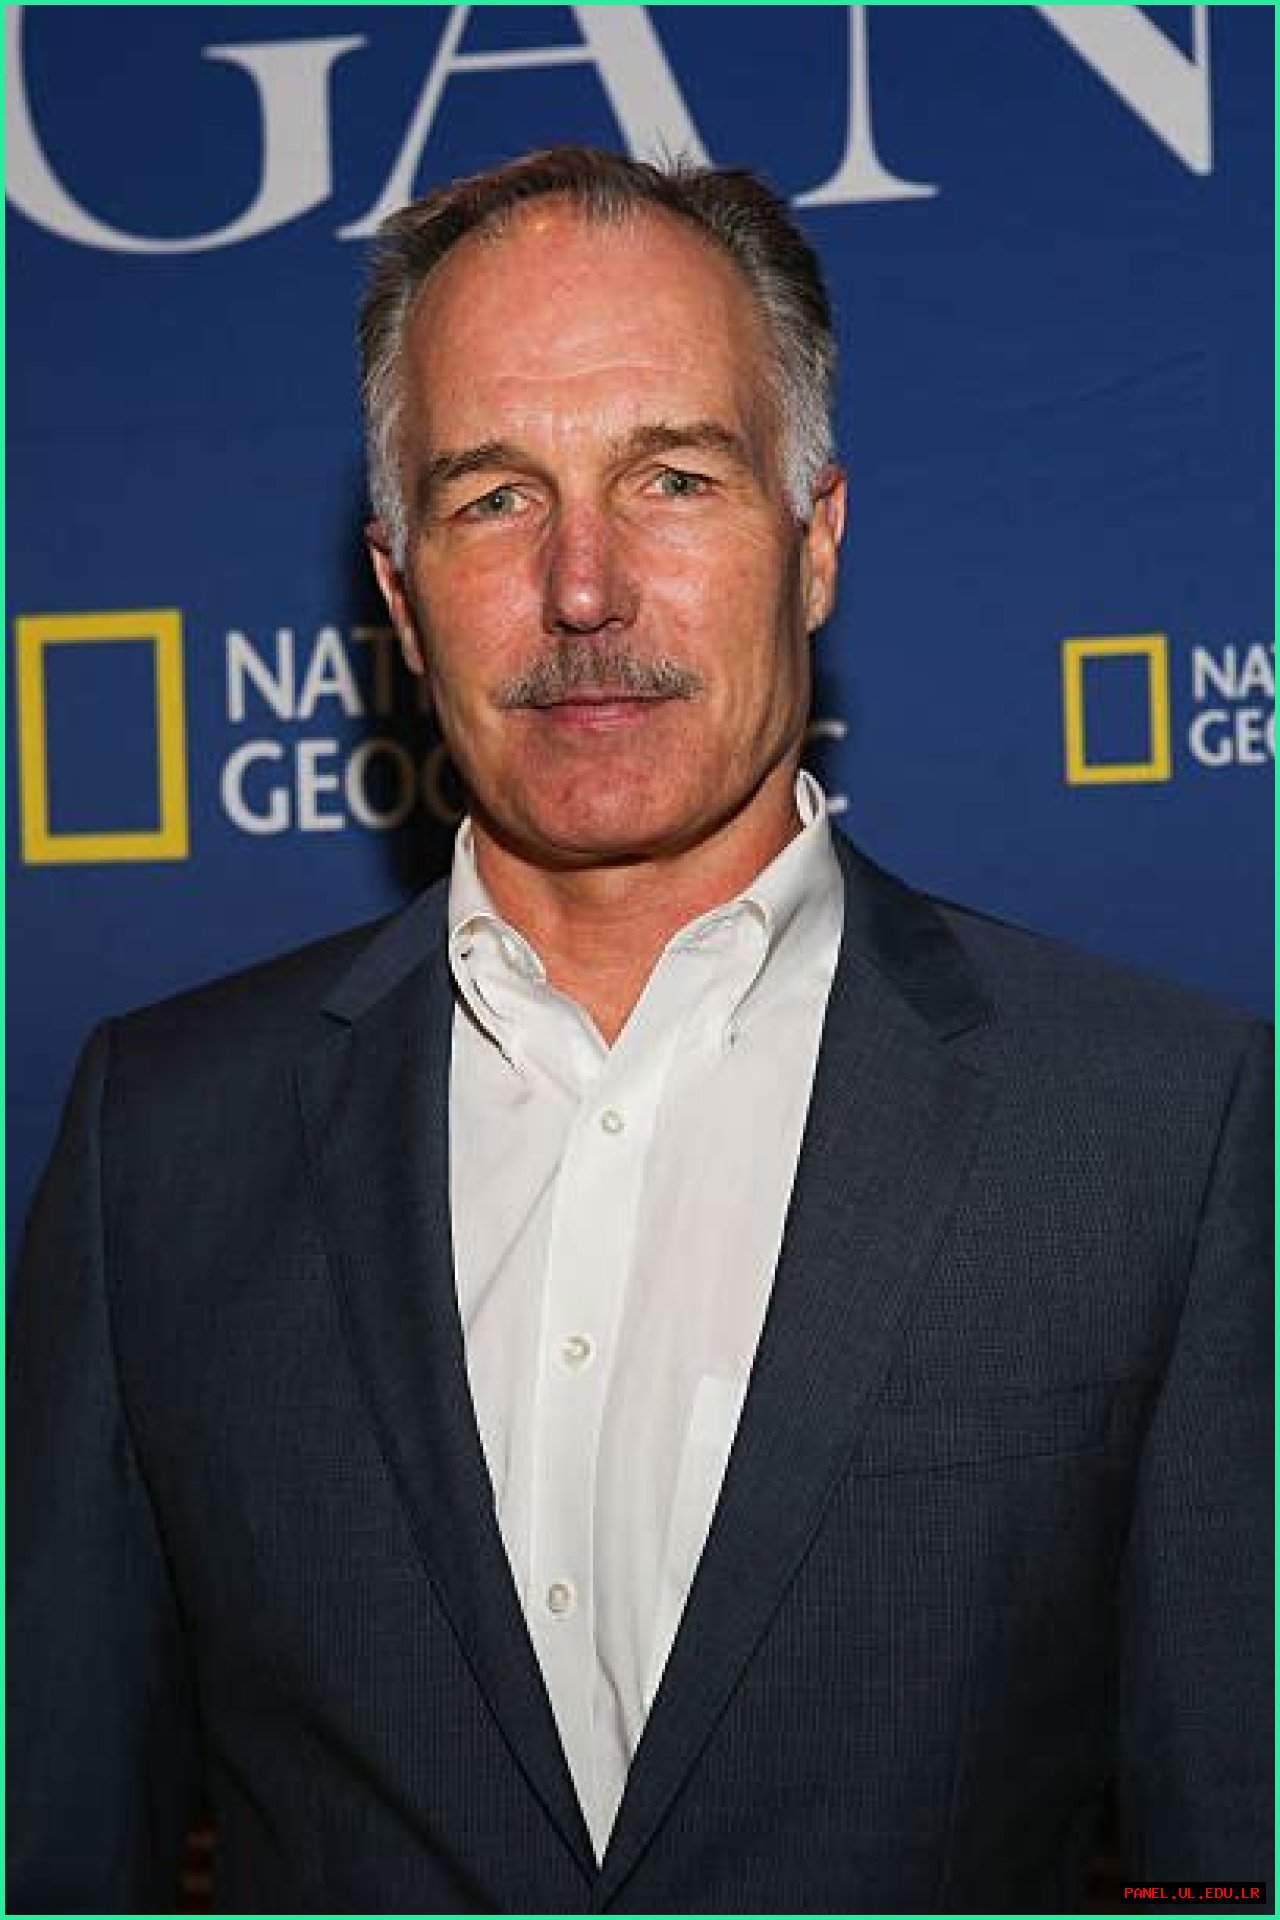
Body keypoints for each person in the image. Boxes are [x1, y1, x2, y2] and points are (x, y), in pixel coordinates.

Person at [8, 147, 1270, 1915]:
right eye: (492, 498)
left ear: (815, 542)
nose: (584, 587)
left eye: (672, 477)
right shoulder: (163, 1140)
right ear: (399, 591)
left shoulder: (1157, 1131)